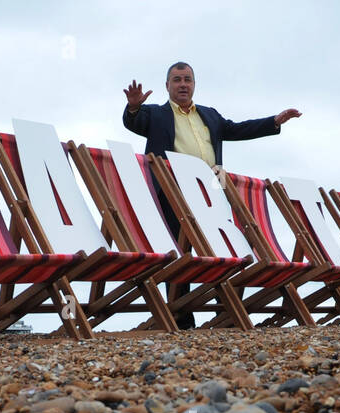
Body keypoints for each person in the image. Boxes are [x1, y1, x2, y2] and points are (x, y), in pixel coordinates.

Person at [123, 61, 300, 329]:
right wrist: (134, 106)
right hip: (172, 192)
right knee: (181, 253)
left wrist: (273, 122)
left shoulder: (210, 115)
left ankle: (226, 312)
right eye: (177, 79)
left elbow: (237, 129)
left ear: (194, 84)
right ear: (167, 85)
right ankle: (182, 320)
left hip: (210, 193)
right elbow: (134, 121)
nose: (183, 84)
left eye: (188, 79)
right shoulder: (155, 115)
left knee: (223, 249)